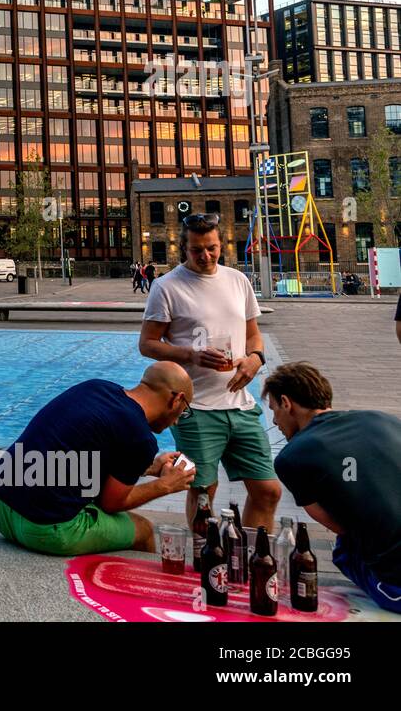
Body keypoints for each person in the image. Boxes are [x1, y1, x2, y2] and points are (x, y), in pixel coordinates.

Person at [139, 212, 280, 533]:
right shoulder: (167, 287)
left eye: (212, 248)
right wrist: (191, 355)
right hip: (195, 408)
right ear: (183, 249)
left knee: (268, 491)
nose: (206, 256)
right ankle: (207, 559)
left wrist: (256, 358)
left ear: (221, 244)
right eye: (197, 250)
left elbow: (252, 334)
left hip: (240, 405)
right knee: (204, 491)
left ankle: (250, 556)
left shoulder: (237, 280)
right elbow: (147, 344)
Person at [0, 362, 196, 556]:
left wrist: (148, 468)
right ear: (177, 399)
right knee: (144, 529)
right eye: (183, 411)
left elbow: (83, 451)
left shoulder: (95, 388)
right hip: (44, 528)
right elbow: (111, 503)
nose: (177, 421)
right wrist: (165, 485)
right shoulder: (140, 437)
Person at [264, 363, 401, 613]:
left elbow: (339, 526)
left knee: (344, 549)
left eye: (273, 409)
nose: (274, 421)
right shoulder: (383, 419)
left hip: (395, 580)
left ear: (286, 402)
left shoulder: (292, 457)